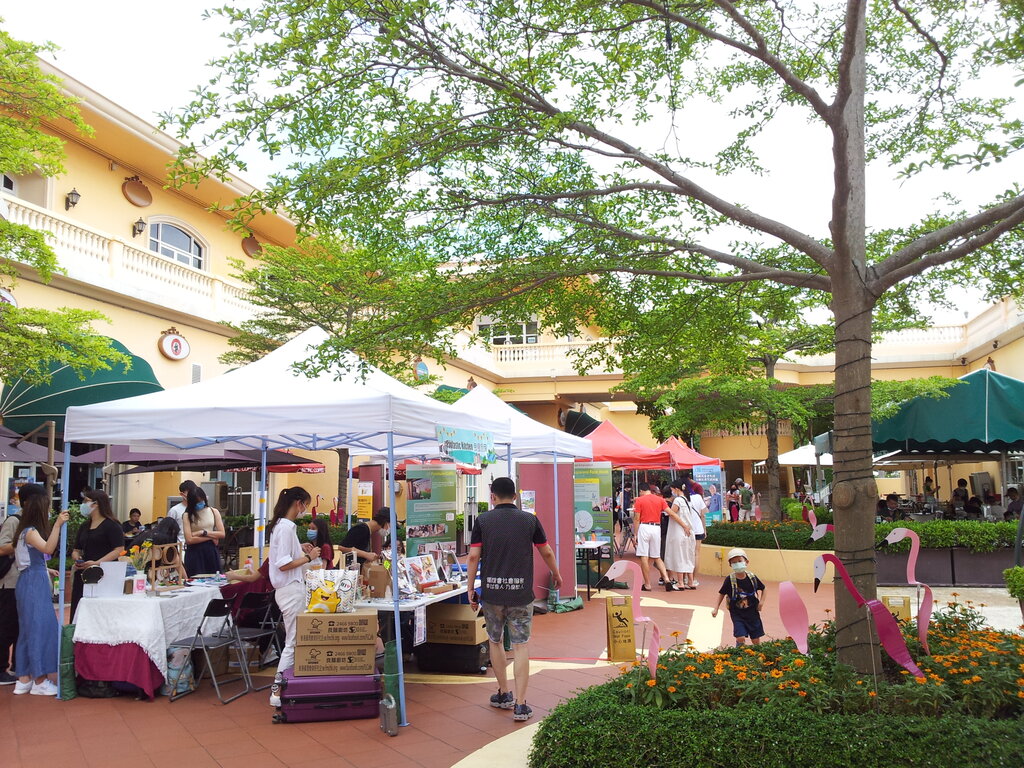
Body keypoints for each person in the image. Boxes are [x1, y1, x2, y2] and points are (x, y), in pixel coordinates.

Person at [466, 477, 561, 723]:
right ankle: (521, 704)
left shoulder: (483, 521)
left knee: (495, 641)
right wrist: (556, 573)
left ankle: (503, 693)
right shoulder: (529, 520)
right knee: (520, 645)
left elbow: (473, 556)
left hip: (492, 594)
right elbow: (546, 550)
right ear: (515, 497)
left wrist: (470, 588)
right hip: (521, 594)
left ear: (492, 497)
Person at [12, 483, 70, 695]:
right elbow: (48, 548)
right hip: (33, 583)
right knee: (39, 629)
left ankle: (24, 678)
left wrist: (46, 570)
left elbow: (29, 560)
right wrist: (57, 526)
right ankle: (39, 680)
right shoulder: (30, 531)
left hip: (29, 580)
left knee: (28, 630)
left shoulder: (23, 531)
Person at [267, 486, 315, 707]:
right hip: (290, 590)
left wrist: (299, 549)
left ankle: (285, 686)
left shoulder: (281, 526)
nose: (305, 509)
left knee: (294, 640)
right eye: (306, 504)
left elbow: (284, 557)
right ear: (298, 503)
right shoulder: (286, 527)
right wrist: (308, 557)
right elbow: (284, 564)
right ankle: (277, 690)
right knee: (293, 642)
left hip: (288, 589)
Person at [70, 489, 124, 619]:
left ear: (96, 503)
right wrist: (77, 558)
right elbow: (76, 549)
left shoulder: (112, 525)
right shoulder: (84, 526)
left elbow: (118, 549)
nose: (83, 504)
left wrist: (97, 562)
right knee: (79, 607)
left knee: (100, 611)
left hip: (104, 573)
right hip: (83, 573)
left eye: (86, 501)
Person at [711, 548, 766, 647]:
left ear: (746, 562)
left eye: (740, 561)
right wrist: (716, 608)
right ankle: (739, 652)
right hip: (737, 613)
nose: (737, 564)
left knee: (755, 639)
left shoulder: (752, 577)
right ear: (730, 565)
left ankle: (757, 653)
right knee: (740, 637)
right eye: (734, 562)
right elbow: (722, 593)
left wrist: (761, 602)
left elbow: (764, 589)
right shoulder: (730, 579)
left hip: (752, 612)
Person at [632, 483, 672, 592]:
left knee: (644, 556)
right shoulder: (660, 499)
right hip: (656, 528)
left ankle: (648, 584)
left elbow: (637, 519)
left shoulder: (639, 500)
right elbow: (670, 513)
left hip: (644, 527)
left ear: (641, 491)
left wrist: (635, 534)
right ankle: (667, 579)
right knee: (657, 556)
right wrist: (684, 525)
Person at [0, 491, 21, 685]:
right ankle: (1, 669)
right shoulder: (14, 521)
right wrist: (23, 541)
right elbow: (2, 547)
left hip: (21, 583)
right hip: (8, 582)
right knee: (6, 627)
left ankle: (16, 665)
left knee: (17, 627)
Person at [182, 486, 225, 576]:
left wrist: (202, 533)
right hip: (194, 552)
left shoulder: (214, 511)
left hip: (211, 551)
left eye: (201, 501)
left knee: (214, 578)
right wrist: (210, 537)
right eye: (196, 502)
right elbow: (189, 539)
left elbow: (222, 534)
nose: (199, 504)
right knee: (195, 579)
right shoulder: (187, 515)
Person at [663, 483, 693, 590]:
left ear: (676, 489)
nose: (672, 492)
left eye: (672, 490)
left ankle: (680, 582)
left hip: (679, 531)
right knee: (687, 556)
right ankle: (690, 581)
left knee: (679, 556)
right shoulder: (687, 500)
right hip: (689, 531)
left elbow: (672, 514)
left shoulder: (677, 501)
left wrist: (664, 509)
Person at [167, 480, 198, 546]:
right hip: (181, 546)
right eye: (189, 492)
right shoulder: (174, 510)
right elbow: (168, 531)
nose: (193, 495)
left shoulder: (199, 508)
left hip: (197, 544)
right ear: (182, 494)